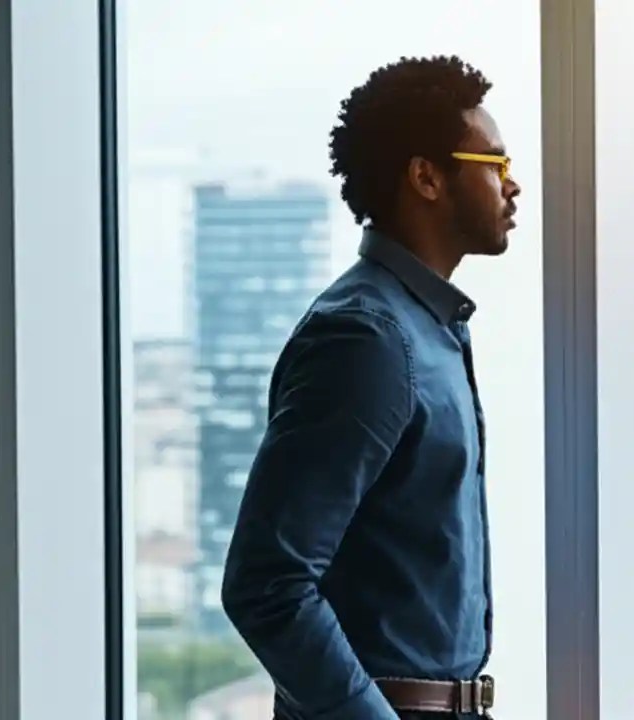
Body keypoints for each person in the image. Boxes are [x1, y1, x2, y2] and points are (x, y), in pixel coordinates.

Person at [221, 55, 520, 720]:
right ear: (426, 177)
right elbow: (267, 584)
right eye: (495, 166)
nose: (514, 185)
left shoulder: (423, 331)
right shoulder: (368, 340)